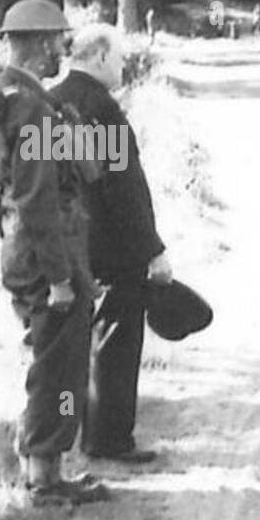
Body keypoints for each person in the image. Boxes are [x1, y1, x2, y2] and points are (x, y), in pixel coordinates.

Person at [0, 0, 109, 505]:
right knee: (58, 368)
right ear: (39, 44)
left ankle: (47, 466)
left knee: (58, 363)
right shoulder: (30, 109)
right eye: (58, 41)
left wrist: (18, 247)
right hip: (50, 257)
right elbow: (36, 198)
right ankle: (44, 477)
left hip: (29, 251)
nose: (63, 51)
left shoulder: (3, 101)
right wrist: (57, 276)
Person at [51, 23, 171, 465]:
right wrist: (152, 248)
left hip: (70, 245)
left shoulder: (53, 99)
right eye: (119, 57)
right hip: (112, 246)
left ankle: (77, 434)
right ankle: (109, 440)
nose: (123, 65)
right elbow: (122, 188)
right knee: (117, 344)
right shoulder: (101, 108)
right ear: (99, 55)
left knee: (78, 346)